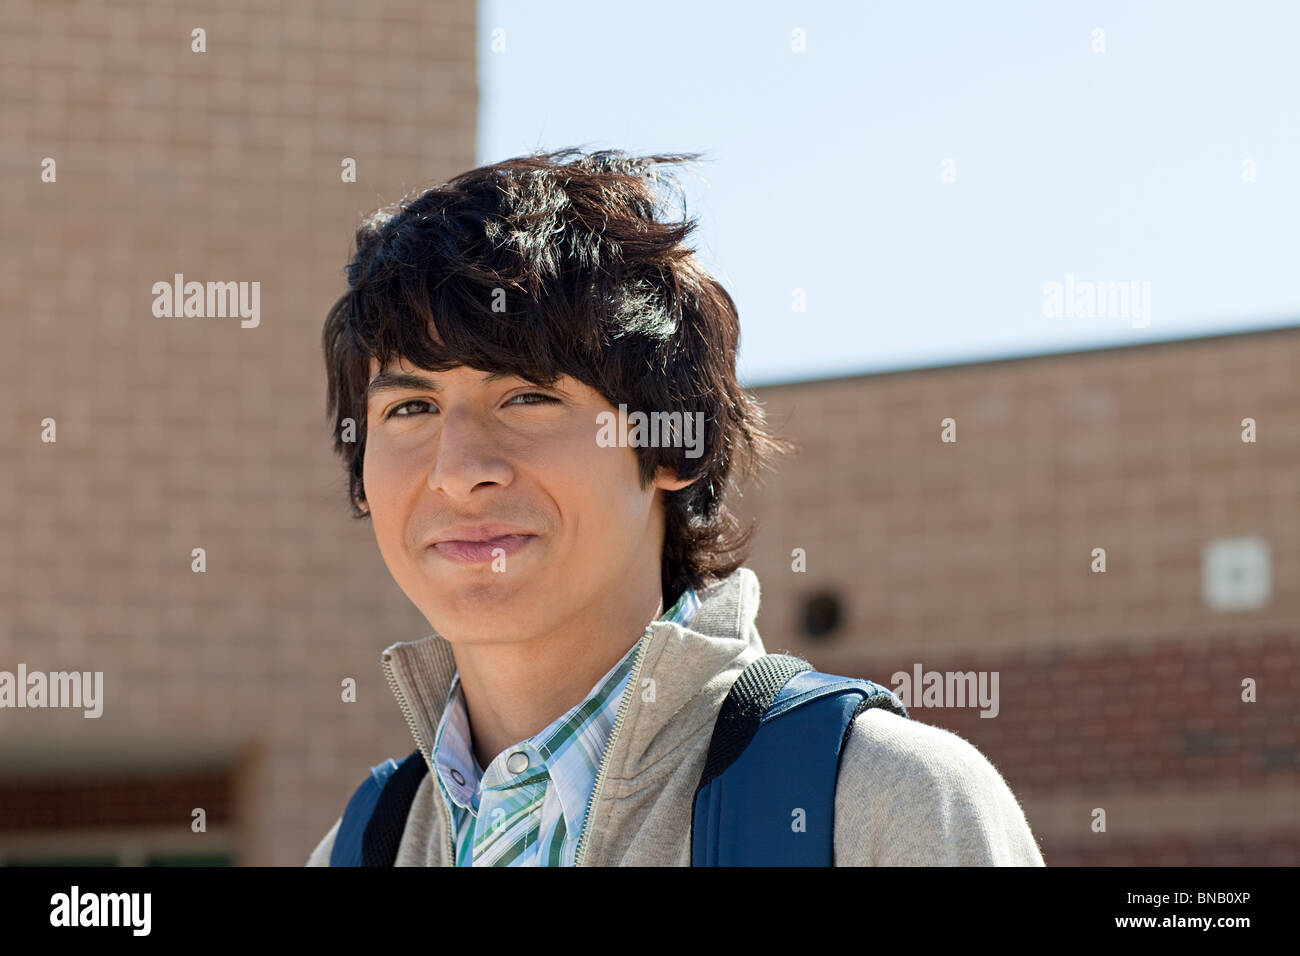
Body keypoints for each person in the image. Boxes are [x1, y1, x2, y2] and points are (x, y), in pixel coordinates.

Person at [306, 147, 1045, 866]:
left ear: (671, 445)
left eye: (528, 396)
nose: (459, 471)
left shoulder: (885, 805)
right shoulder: (360, 844)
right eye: (409, 408)